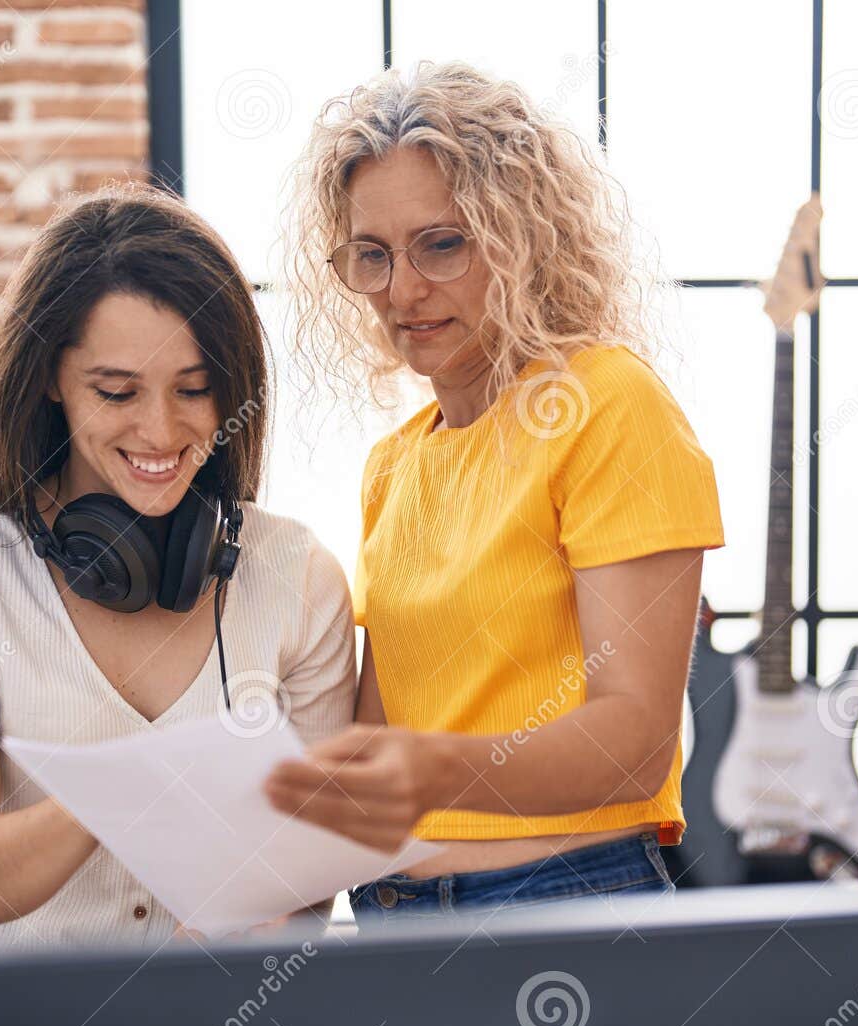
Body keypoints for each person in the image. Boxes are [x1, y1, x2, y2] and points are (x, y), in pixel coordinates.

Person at [0, 185, 355, 1026]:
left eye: (197, 390)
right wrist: (128, 790)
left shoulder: (295, 579)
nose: (162, 429)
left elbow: (302, 881)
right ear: (50, 379)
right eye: (117, 391)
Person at [267, 62, 724, 926]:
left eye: (442, 244)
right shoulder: (394, 466)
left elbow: (634, 741)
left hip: (565, 906)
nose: (402, 292)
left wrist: (437, 770)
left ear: (524, 238)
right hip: (392, 912)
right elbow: (370, 764)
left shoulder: (609, 405)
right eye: (373, 256)